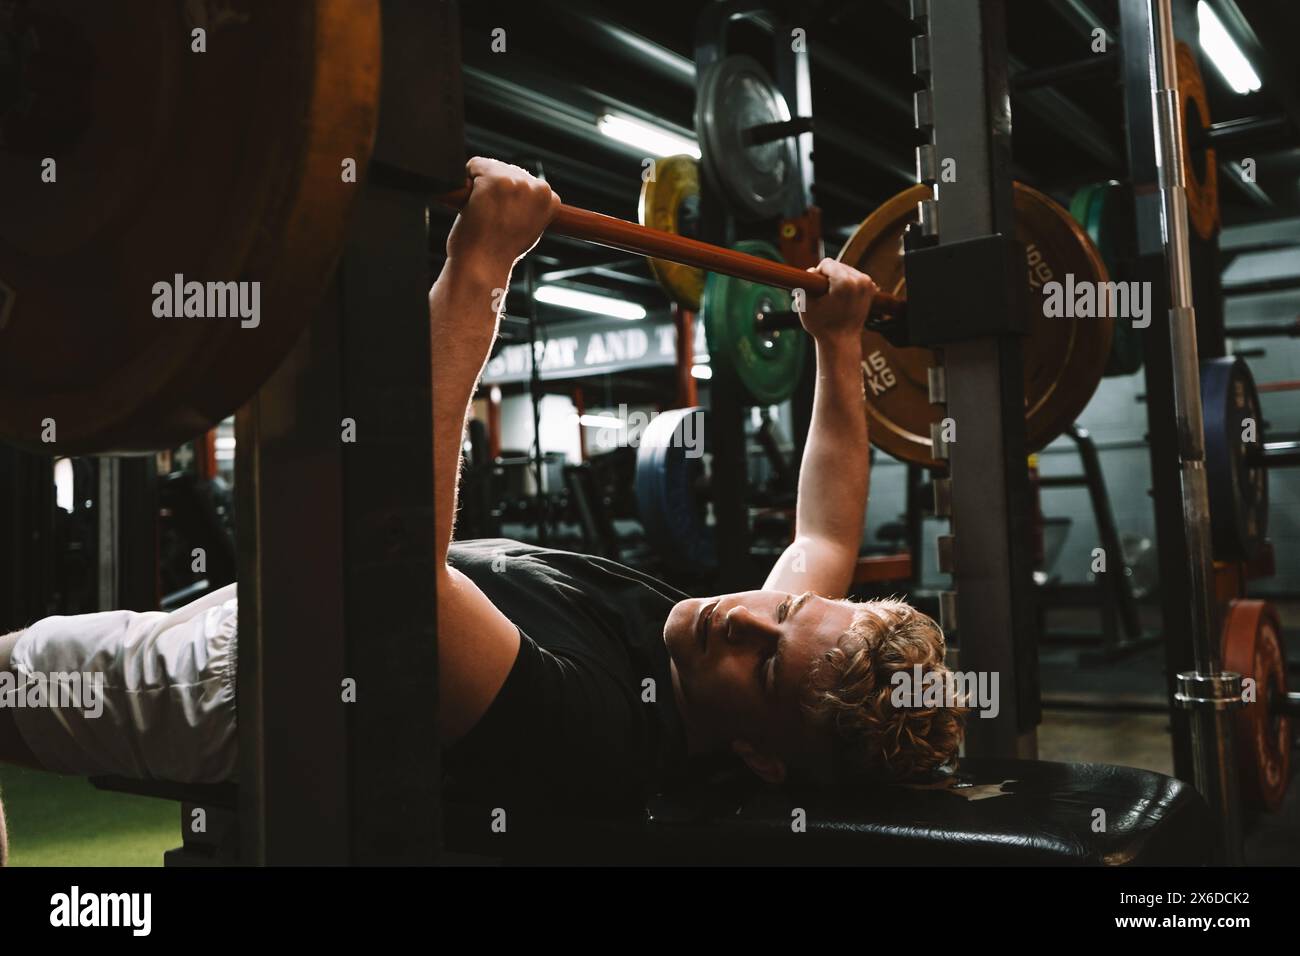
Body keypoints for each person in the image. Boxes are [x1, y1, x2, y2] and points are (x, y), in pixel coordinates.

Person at [0, 159, 964, 829]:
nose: (742, 619)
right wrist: (839, 346)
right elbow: (824, 532)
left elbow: (397, 578)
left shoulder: (595, 730)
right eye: (786, 608)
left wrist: (479, 269)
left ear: (760, 760)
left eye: (765, 667)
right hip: (283, 620)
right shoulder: (722, 664)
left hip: (246, 685)